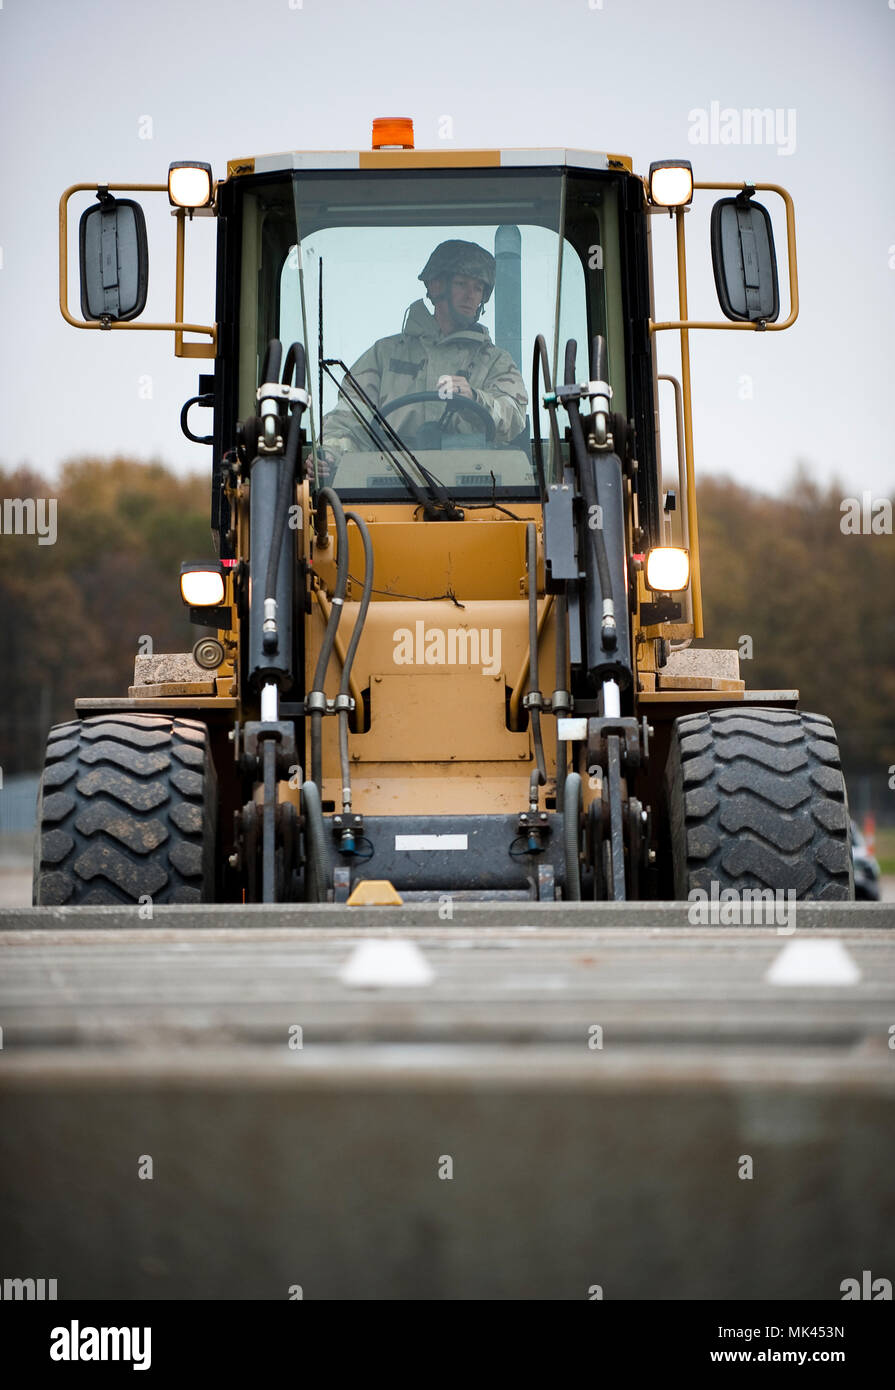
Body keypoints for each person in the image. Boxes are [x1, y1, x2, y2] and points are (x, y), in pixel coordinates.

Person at [309, 240, 528, 476]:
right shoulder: (385, 354)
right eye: (462, 284)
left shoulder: (496, 362)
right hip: (389, 486)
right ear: (436, 287)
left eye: (478, 288)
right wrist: (330, 453)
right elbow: (351, 416)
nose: (470, 296)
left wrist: (475, 398)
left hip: (479, 486)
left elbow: (513, 416)